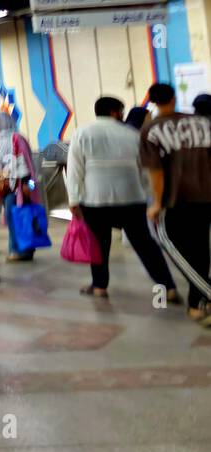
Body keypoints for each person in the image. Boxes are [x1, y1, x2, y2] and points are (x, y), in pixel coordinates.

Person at [68, 96, 178, 300]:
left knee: (99, 245)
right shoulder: (133, 134)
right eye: (121, 110)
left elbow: (75, 168)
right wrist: (152, 197)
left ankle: (100, 286)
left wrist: (74, 199)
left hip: (95, 199)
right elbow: (146, 168)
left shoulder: (82, 132)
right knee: (145, 244)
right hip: (131, 198)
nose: (122, 114)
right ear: (114, 112)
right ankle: (167, 287)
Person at [139, 82, 211, 324]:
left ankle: (206, 296)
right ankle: (195, 305)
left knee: (174, 248)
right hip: (206, 197)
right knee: (200, 250)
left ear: (152, 101)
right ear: (173, 98)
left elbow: (156, 172)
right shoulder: (201, 123)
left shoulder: (151, 129)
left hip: (177, 200)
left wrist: (156, 203)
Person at [0, 110, 40, 261]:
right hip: (6, 187)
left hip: (18, 187)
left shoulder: (16, 138)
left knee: (16, 216)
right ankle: (23, 249)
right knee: (15, 216)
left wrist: (27, 185)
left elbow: (25, 164)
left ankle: (19, 250)